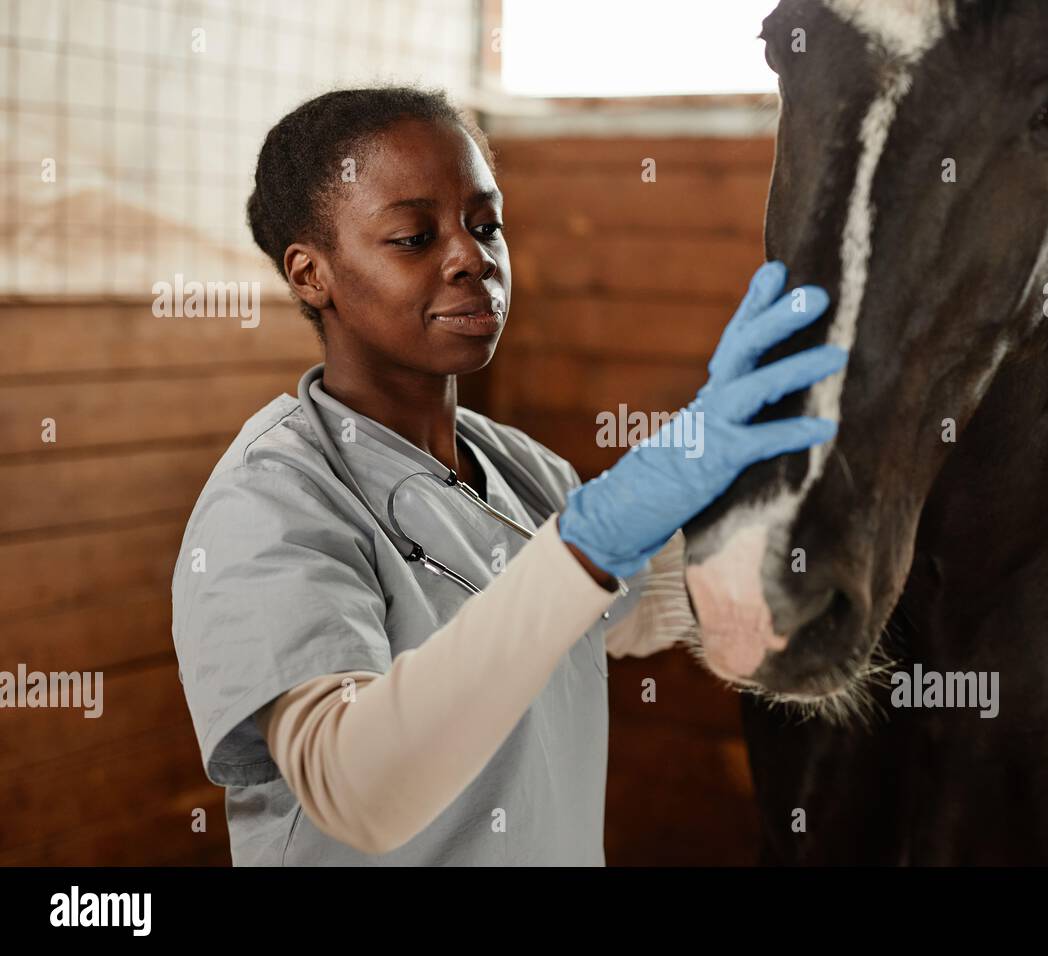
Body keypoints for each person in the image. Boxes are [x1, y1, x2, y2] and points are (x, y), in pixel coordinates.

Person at [170, 86, 847, 866]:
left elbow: (631, 610)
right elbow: (355, 789)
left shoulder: (516, 466)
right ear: (310, 273)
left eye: (485, 224)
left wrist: (779, 482)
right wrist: (589, 544)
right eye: (415, 237)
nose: (471, 257)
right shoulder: (269, 503)